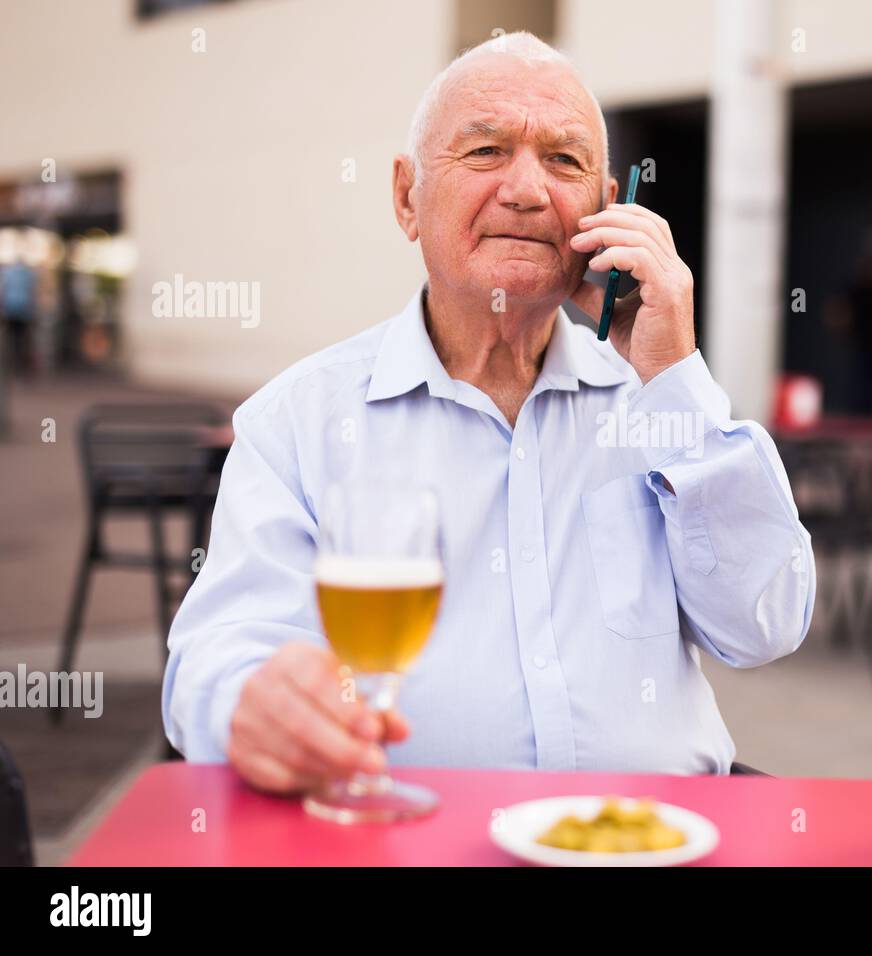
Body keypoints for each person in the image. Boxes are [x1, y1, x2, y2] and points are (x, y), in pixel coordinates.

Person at [163, 32, 816, 792]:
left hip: (653, 840)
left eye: (565, 161)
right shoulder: (298, 421)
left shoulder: (659, 405)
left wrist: (673, 377)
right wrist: (252, 703)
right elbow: (215, 659)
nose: (528, 191)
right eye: (485, 151)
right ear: (408, 197)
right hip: (405, 846)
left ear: (606, 212)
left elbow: (764, 624)